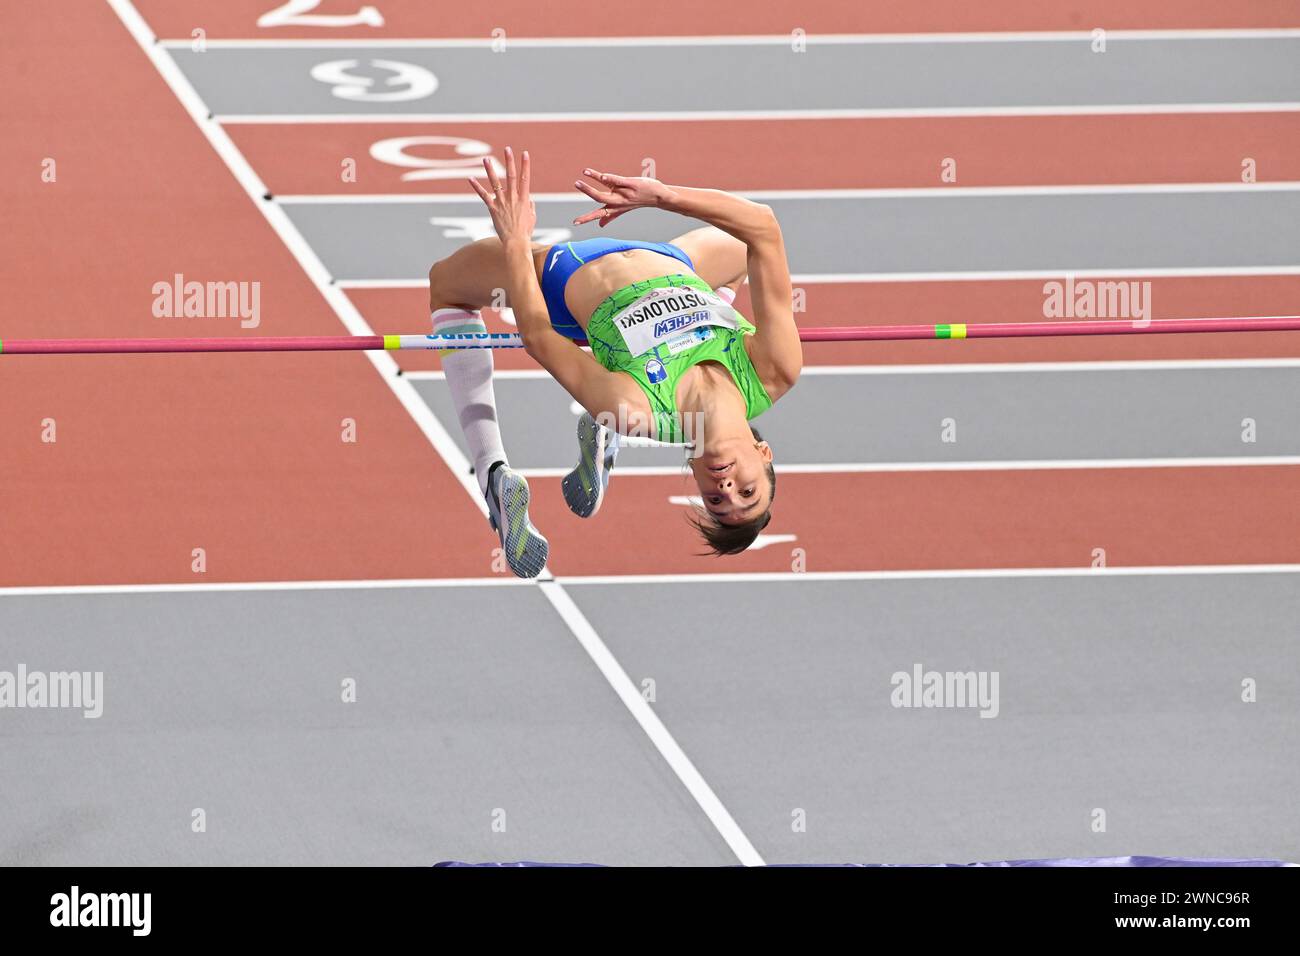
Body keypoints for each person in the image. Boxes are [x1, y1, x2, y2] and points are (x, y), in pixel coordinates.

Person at [428, 147, 801, 578]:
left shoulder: (637, 410)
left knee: (445, 285)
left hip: (565, 277)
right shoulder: (773, 369)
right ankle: (597, 435)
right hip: (677, 262)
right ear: (764, 453)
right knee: (743, 247)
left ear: (695, 477)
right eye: (747, 492)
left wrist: (515, 240)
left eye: (716, 500)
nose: (726, 488)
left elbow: (539, 338)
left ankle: (492, 471)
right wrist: (663, 197)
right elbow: (765, 227)